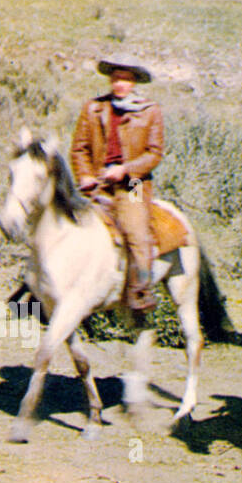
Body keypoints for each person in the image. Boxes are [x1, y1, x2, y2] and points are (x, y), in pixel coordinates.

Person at [70, 54, 164, 312]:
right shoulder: (93, 107)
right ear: (110, 79)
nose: (121, 83)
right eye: (117, 77)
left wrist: (125, 170)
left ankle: (140, 292)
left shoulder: (150, 111)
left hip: (134, 183)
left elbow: (154, 153)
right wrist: (85, 175)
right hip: (98, 180)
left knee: (135, 228)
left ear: (134, 83)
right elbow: (79, 149)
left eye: (127, 78)